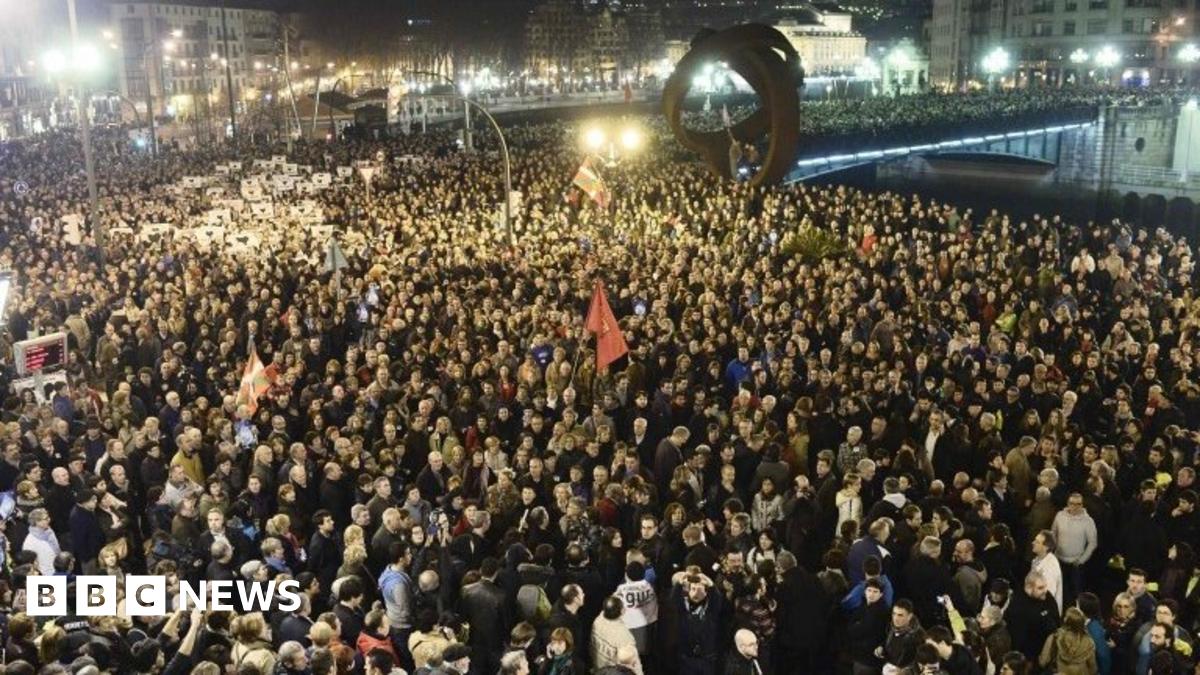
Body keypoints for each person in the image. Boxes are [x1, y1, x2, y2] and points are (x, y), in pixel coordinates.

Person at [1038, 606, 1097, 675]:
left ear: (1066, 620)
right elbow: (1093, 668)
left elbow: (1043, 662)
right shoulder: (1088, 642)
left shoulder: (1055, 637)